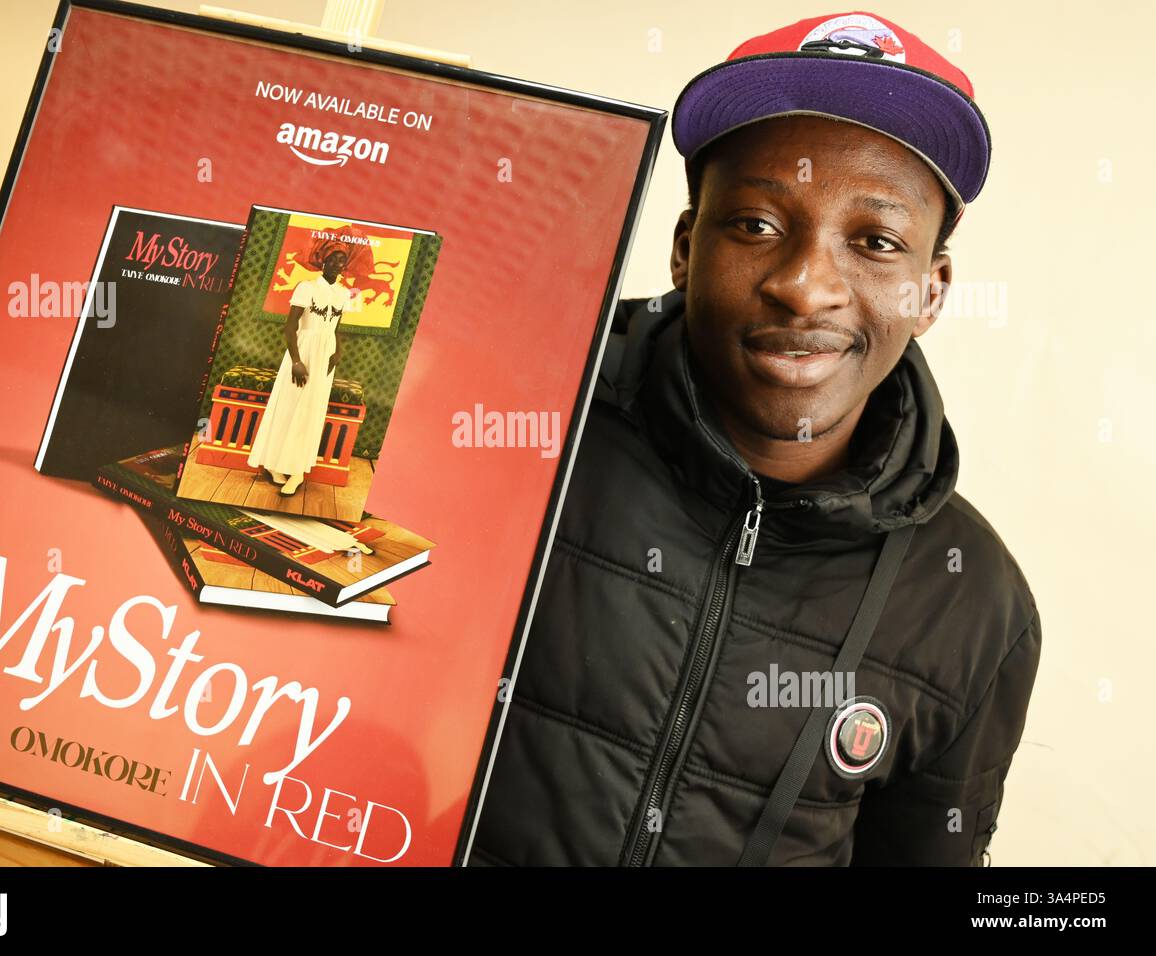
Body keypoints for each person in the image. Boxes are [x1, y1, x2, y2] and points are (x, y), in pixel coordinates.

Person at [469, 11, 1041, 866]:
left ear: (931, 290)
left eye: (876, 242)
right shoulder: (509, 435)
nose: (806, 288)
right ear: (685, 247)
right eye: (757, 227)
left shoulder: (976, 603)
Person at [248, 239, 358, 496]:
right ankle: (274, 464)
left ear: (344, 267)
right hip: (302, 351)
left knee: (312, 410)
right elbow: (290, 326)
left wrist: (337, 351)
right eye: (332, 260)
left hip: (325, 355)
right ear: (323, 261)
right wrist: (296, 361)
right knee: (288, 405)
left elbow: (336, 327)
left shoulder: (343, 294)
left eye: (341, 262)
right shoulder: (306, 287)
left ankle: (297, 472)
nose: (336, 265)